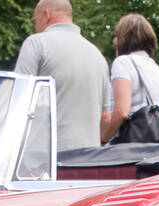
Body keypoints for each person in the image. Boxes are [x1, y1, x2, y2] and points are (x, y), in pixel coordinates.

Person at [14, 0, 110, 152]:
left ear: (46, 15)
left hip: (45, 160)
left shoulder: (36, 43)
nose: (36, 26)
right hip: (89, 160)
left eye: (36, 21)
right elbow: (105, 118)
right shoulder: (98, 55)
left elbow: (18, 99)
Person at [101, 13, 159, 143]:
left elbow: (122, 111)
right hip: (156, 146)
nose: (114, 41)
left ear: (125, 38)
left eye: (116, 36)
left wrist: (103, 139)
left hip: (129, 145)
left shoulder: (123, 62)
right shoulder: (157, 69)